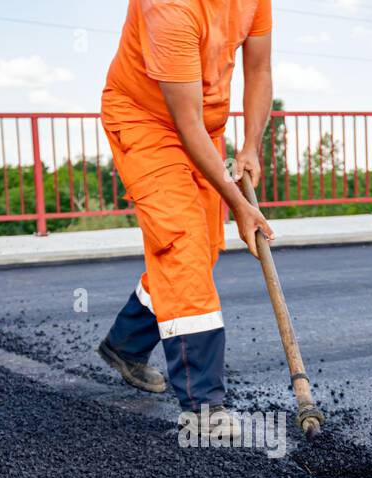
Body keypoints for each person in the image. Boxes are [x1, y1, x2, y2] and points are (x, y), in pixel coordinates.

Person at [96, 0, 276, 440]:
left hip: (204, 126)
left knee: (203, 249)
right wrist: (238, 203)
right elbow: (186, 120)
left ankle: (126, 344)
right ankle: (203, 406)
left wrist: (250, 146)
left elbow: (260, 69)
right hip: (146, 121)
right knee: (183, 243)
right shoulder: (170, 7)